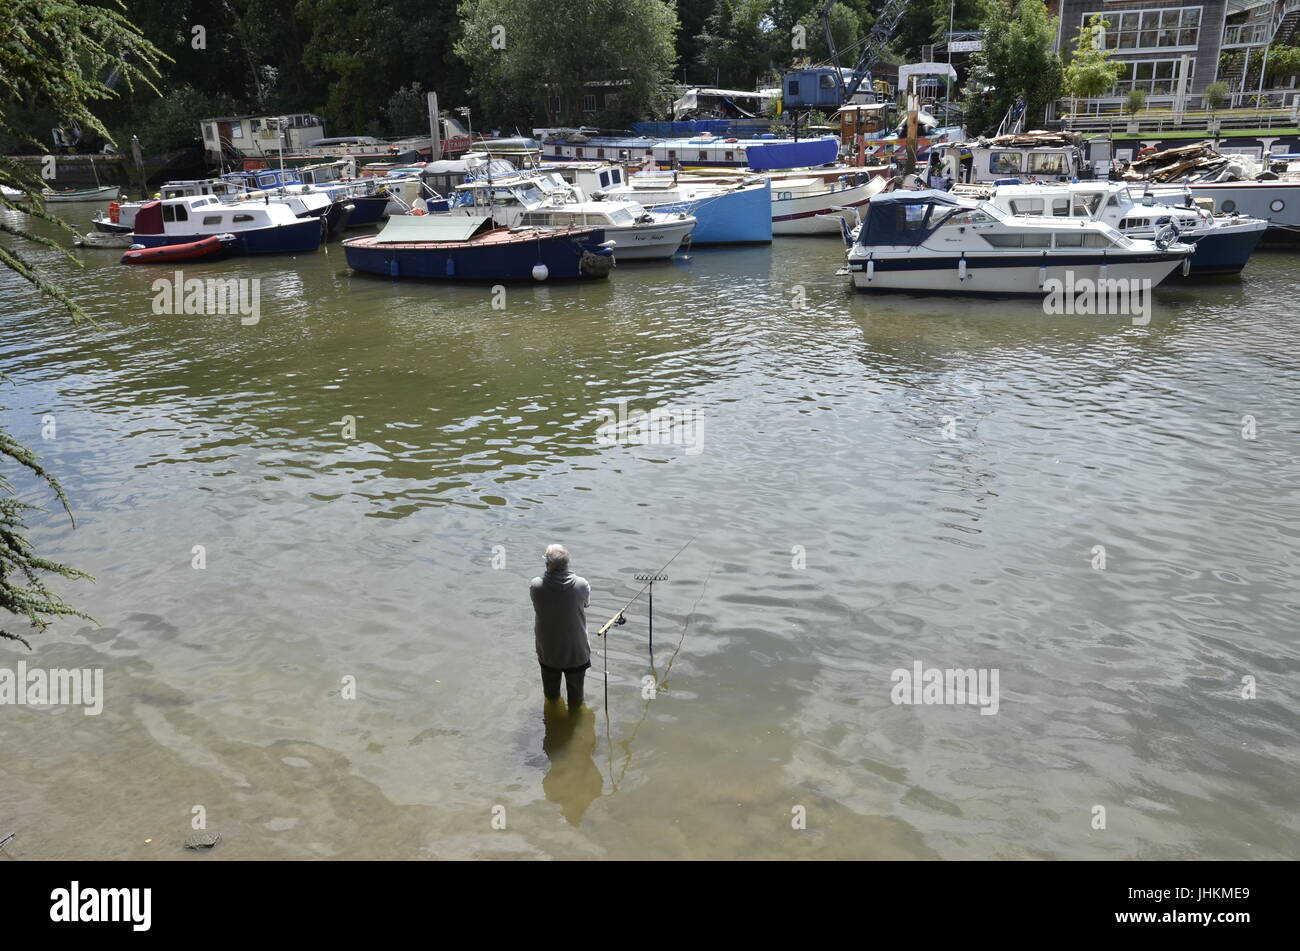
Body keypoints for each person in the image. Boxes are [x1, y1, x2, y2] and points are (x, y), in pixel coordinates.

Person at [529, 545, 591, 711]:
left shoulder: (536, 586)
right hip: (576, 652)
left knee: (551, 696)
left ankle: (553, 724)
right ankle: (573, 727)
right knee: (576, 700)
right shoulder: (581, 584)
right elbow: (586, 604)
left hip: (549, 651)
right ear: (568, 564)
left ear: (547, 564)